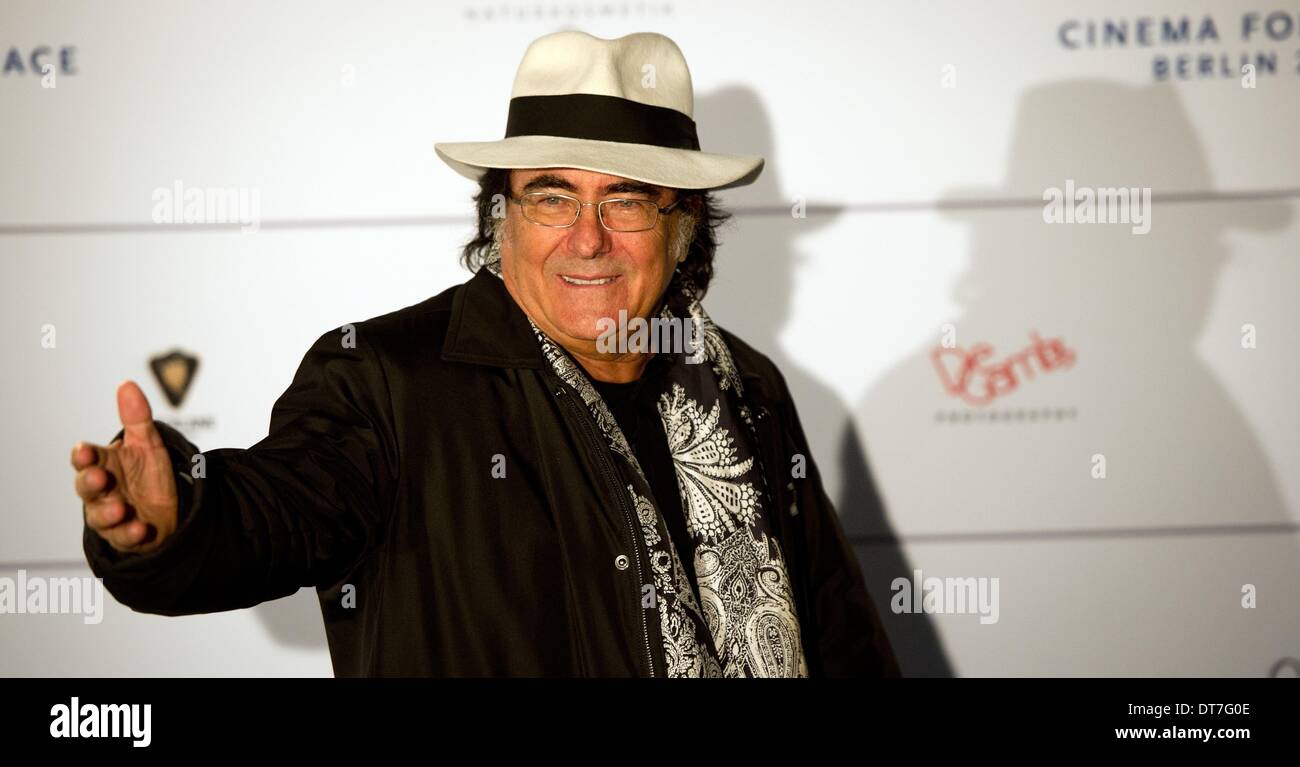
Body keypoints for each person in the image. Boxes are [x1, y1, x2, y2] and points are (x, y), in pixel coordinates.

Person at [69, 30, 900, 678]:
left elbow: (841, 634)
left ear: (682, 229)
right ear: (500, 217)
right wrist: (182, 516)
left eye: (627, 201)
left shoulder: (745, 387)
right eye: (551, 197)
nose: (587, 238)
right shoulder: (386, 382)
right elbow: (272, 512)